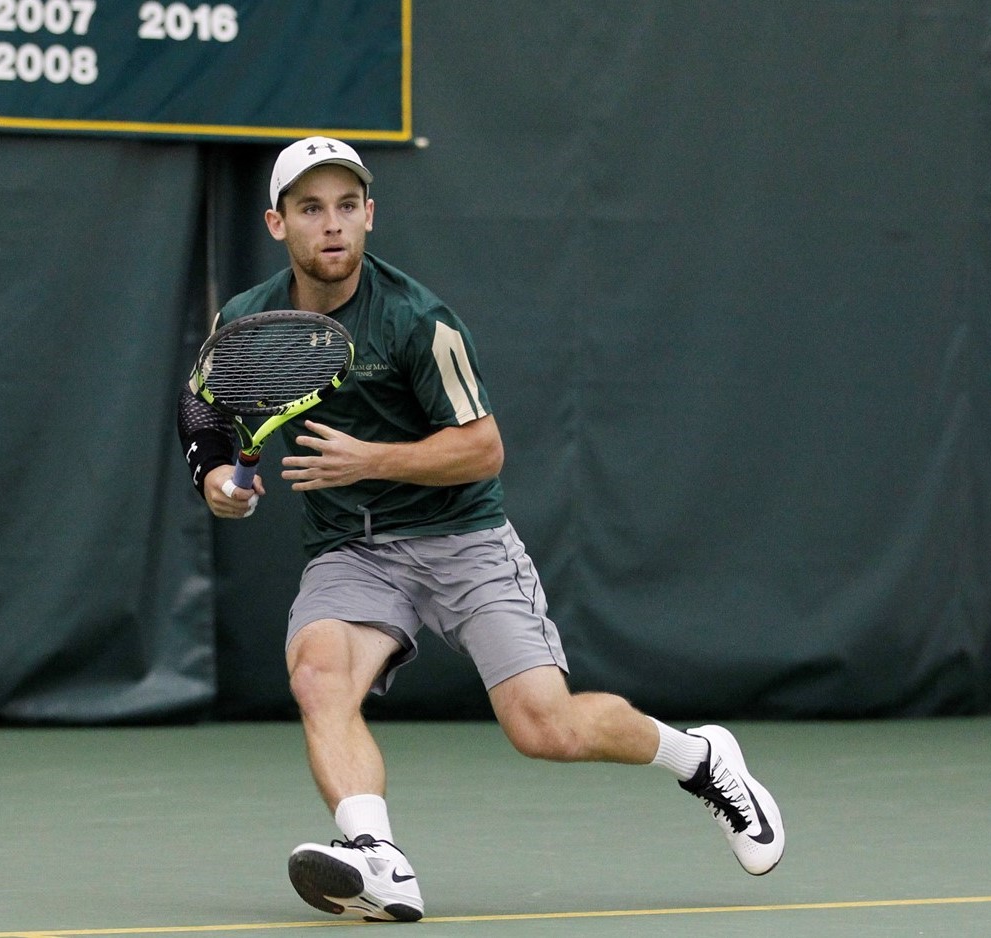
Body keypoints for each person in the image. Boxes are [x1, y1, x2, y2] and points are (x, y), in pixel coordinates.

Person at [176, 136, 785, 922]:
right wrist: (216, 476)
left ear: (369, 215)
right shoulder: (248, 317)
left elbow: (482, 450)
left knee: (545, 728)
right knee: (318, 676)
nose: (331, 225)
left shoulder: (417, 321)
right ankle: (376, 858)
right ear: (276, 223)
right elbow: (205, 402)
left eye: (346, 207)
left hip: (459, 538)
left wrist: (371, 458)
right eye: (310, 209)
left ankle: (702, 760)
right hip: (351, 549)